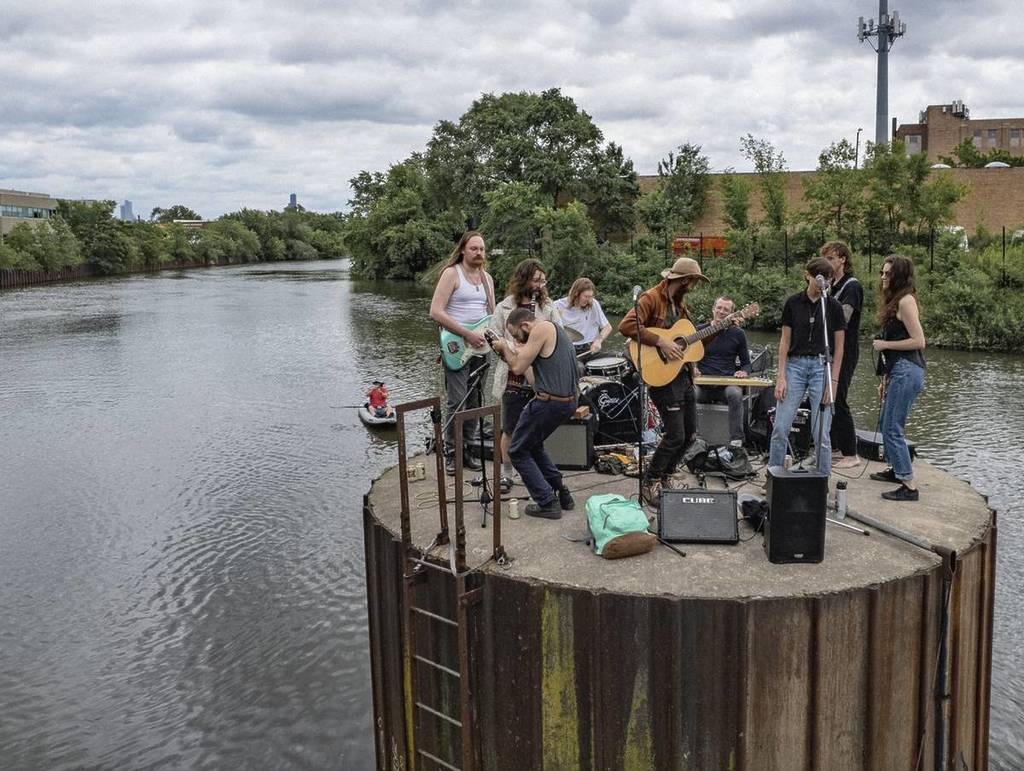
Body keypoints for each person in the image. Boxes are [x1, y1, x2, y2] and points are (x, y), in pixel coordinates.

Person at [619, 257, 711, 503]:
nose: (694, 286)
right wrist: (661, 341)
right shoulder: (651, 298)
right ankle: (651, 481)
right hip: (660, 374)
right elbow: (627, 325)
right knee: (675, 435)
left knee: (690, 434)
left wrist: (719, 327)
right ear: (683, 280)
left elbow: (693, 342)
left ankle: (666, 476)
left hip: (681, 376)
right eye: (693, 281)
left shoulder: (680, 306)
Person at [488, 308, 578, 520]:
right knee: (533, 445)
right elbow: (531, 371)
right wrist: (513, 350)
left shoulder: (541, 328)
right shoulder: (555, 330)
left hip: (550, 403)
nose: (517, 339)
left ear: (525, 325)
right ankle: (562, 493)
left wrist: (503, 347)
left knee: (517, 450)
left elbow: (518, 368)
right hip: (567, 403)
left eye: (516, 334)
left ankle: (547, 502)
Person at [769, 257, 846, 476]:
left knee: (821, 431)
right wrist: (781, 376)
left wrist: (833, 382)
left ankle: (822, 479)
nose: (824, 284)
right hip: (795, 365)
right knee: (781, 427)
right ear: (808, 276)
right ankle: (774, 475)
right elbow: (784, 341)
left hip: (822, 366)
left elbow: (839, 348)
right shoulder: (793, 303)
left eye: (829, 279)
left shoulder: (833, 307)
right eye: (819, 278)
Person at [489, 260, 561, 494]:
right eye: (536, 280)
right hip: (511, 376)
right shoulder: (503, 307)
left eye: (543, 280)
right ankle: (506, 475)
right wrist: (510, 351)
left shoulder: (548, 307)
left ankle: (531, 471)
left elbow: (559, 334)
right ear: (523, 279)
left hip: (540, 377)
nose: (540, 285)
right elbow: (492, 336)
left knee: (535, 428)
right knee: (509, 428)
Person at [429, 231, 496, 475]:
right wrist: (467, 334)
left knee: (476, 400)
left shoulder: (487, 279)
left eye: (482, 249)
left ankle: (468, 449)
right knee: (456, 401)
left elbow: (492, 315)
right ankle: (451, 452)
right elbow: (435, 312)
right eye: (474, 248)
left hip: (481, 347)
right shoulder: (451, 274)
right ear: (463, 250)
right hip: (456, 346)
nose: (479, 253)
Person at [871, 254, 926, 501]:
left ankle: (909, 485)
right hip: (898, 371)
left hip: (907, 369)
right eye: (882, 273)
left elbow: (919, 341)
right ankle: (896, 471)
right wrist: (885, 380)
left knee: (893, 428)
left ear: (900, 276)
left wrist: (884, 344)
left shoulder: (906, 301)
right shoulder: (895, 301)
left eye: (888, 273)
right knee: (885, 423)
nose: (883, 277)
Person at [822, 241, 865, 469]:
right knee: (828, 397)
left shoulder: (851, 286)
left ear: (842, 260)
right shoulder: (832, 285)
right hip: (830, 349)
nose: (827, 263)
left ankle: (852, 454)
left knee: (838, 397)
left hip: (846, 350)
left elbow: (844, 317)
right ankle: (837, 446)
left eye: (830, 259)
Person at [694, 295, 751, 454]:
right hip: (702, 385)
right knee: (689, 393)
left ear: (732, 314)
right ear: (713, 309)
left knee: (735, 393)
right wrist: (693, 368)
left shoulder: (738, 333)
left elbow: (746, 363)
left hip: (726, 384)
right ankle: (694, 438)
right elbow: (688, 357)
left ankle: (736, 440)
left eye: (726, 309)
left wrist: (743, 371)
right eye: (719, 308)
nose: (721, 311)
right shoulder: (699, 331)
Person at [554, 277, 612, 358]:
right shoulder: (557, 306)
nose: (589, 300)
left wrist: (599, 340)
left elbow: (607, 327)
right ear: (576, 294)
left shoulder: (593, 304)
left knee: (614, 358)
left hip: (590, 349)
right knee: (580, 369)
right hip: (569, 350)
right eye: (586, 296)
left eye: (591, 296)